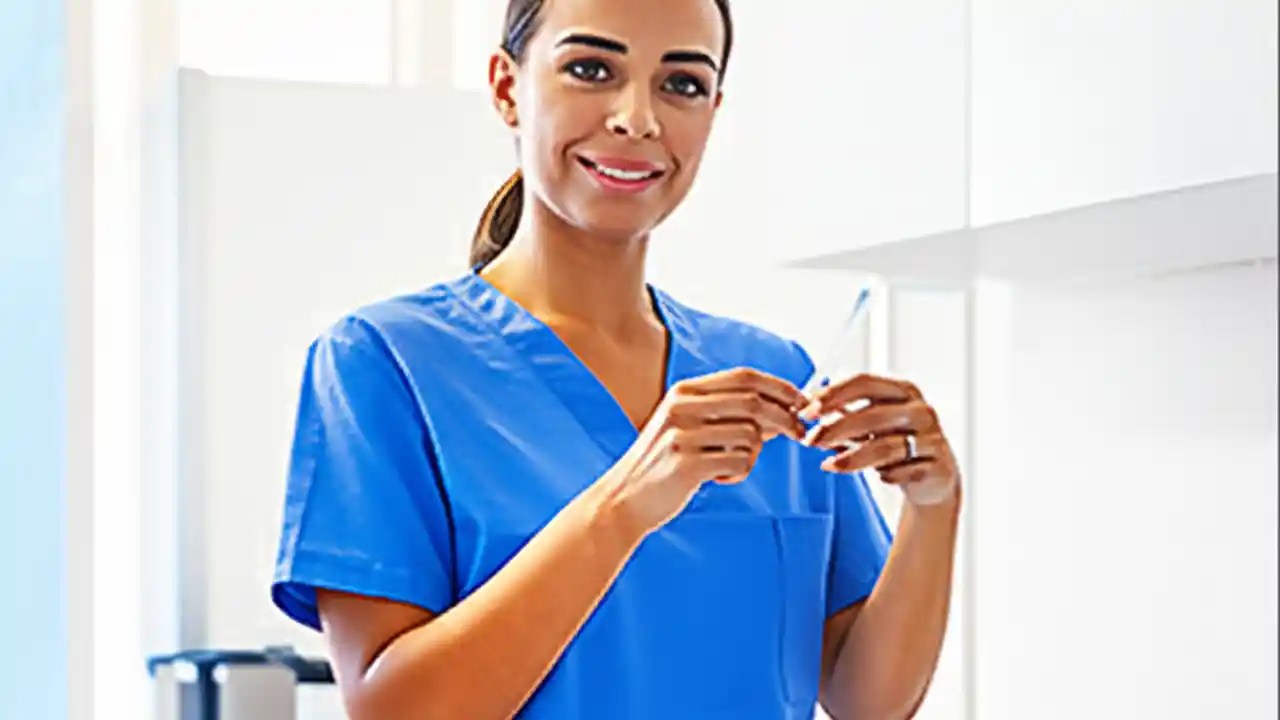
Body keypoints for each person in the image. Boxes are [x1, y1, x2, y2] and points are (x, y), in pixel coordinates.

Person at [270, 0, 963, 717]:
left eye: (682, 84)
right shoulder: (387, 365)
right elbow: (395, 710)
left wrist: (933, 506)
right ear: (509, 88)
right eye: (591, 69)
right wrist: (627, 502)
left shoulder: (773, 375)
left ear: (714, 112)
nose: (638, 118)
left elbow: (868, 702)